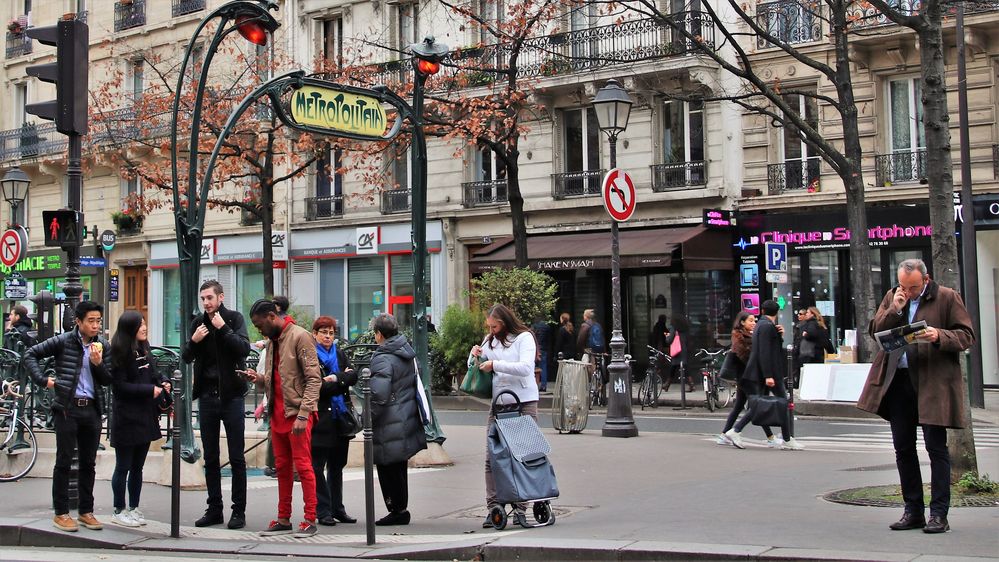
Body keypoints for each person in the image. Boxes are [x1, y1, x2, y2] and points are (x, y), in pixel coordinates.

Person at [857, 259, 974, 534]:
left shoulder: (946, 297)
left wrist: (938, 335)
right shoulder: (893, 296)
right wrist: (895, 309)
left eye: (913, 287)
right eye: (904, 286)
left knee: (936, 448)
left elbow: (966, 335)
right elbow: (875, 331)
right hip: (899, 381)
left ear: (926, 279)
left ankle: (939, 514)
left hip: (932, 382)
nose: (908, 292)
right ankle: (913, 511)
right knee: (903, 448)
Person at [23, 301, 111, 533]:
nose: (95, 326)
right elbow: (30, 354)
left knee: (88, 463)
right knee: (64, 461)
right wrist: (44, 380)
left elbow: (108, 379)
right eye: (91, 321)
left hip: (91, 409)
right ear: (78, 322)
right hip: (67, 408)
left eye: (98, 321)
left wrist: (98, 364)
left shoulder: (102, 345)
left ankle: (86, 511)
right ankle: (61, 512)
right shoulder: (63, 341)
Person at [246, 296, 323, 538]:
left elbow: (314, 379)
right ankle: (283, 518)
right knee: (282, 468)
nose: (259, 330)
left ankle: (310, 518)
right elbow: (276, 378)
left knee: (303, 466)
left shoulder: (300, 336)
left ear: (272, 317)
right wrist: (258, 378)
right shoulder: (273, 341)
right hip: (278, 413)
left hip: (296, 414)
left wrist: (304, 414)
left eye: (260, 325)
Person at [182, 280, 251, 530]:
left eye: (209, 298)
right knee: (210, 457)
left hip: (232, 397)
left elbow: (244, 349)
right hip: (208, 398)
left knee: (236, 457)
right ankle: (214, 509)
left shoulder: (233, 318)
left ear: (220, 297)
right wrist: (194, 341)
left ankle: (238, 511)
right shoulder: (198, 323)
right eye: (203, 298)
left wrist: (224, 329)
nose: (206, 302)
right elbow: (186, 357)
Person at [469, 303, 538, 529]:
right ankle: (494, 507)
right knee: (492, 457)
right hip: (499, 403)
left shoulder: (524, 338)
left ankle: (521, 507)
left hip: (523, 401)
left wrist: (495, 364)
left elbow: (526, 368)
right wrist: (474, 356)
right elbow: (476, 366)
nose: (491, 331)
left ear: (505, 322)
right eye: (489, 327)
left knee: (523, 455)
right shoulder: (490, 340)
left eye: (495, 326)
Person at [108, 311, 169, 528]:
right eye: (140, 324)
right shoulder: (119, 351)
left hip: (145, 414)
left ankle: (134, 507)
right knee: (123, 466)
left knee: (137, 467)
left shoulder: (144, 347)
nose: (144, 327)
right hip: (127, 417)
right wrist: (148, 390)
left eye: (144, 323)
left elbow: (154, 373)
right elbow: (120, 387)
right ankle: (119, 509)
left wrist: (163, 381)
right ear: (129, 328)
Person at [368, 313, 428, 526]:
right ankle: (401, 508)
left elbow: (379, 394)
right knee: (399, 466)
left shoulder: (383, 357)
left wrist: (366, 418)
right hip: (405, 415)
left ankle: (396, 510)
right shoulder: (406, 351)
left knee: (387, 466)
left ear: (379, 334)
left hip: (388, 420)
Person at [724, 299, 804, 451]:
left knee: (760, 405)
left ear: (762, 311)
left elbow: (768, 348)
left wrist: (779, 335)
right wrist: (768, 375)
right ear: (777, 313)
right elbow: (766, 352)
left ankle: (736, 430)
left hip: (760, 372)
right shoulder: (767, 326)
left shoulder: (761, 325)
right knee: (782, 403)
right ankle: (787, 439)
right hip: (769, 372)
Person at [310, 316, 358, 526]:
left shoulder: (339, 354)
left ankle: (337, 508)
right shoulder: (311, 355)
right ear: (315, 334)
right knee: (317, 466)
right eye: (324, 332)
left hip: (340, 418)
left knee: (337, 465)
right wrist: (341, 379)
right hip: (321, 418)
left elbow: (354, 375)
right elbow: (317, 387)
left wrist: (336, 378)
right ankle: (323, 509)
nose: (328, 337)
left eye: (331, 333)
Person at [715, 312, 778, 447]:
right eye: (750, 320)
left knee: (739, 406)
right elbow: (743, 353)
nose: (754, 323)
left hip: (747, 376)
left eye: (754, 320)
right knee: (757, 405)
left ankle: (724, 435)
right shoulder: (738, 335)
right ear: (742, 322)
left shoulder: (751, 334)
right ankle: (768, 437)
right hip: (746, 376)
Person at [663, 314, 694, 392]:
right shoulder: (685, 328)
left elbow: (669, 339)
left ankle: (667, 384)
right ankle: (691, 384)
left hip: (677, 350)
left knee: (673, 367)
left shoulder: (673, 328)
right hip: (684, 349)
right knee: (684, 367)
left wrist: (666, 335)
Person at [531, 316, 551, 392]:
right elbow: (549, 339)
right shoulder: (547, 327)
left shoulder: (534, 326)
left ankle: (534, 384)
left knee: (533, 367)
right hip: (543, 349)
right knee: (543, 367)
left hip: (535, 348)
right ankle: (543, 385)